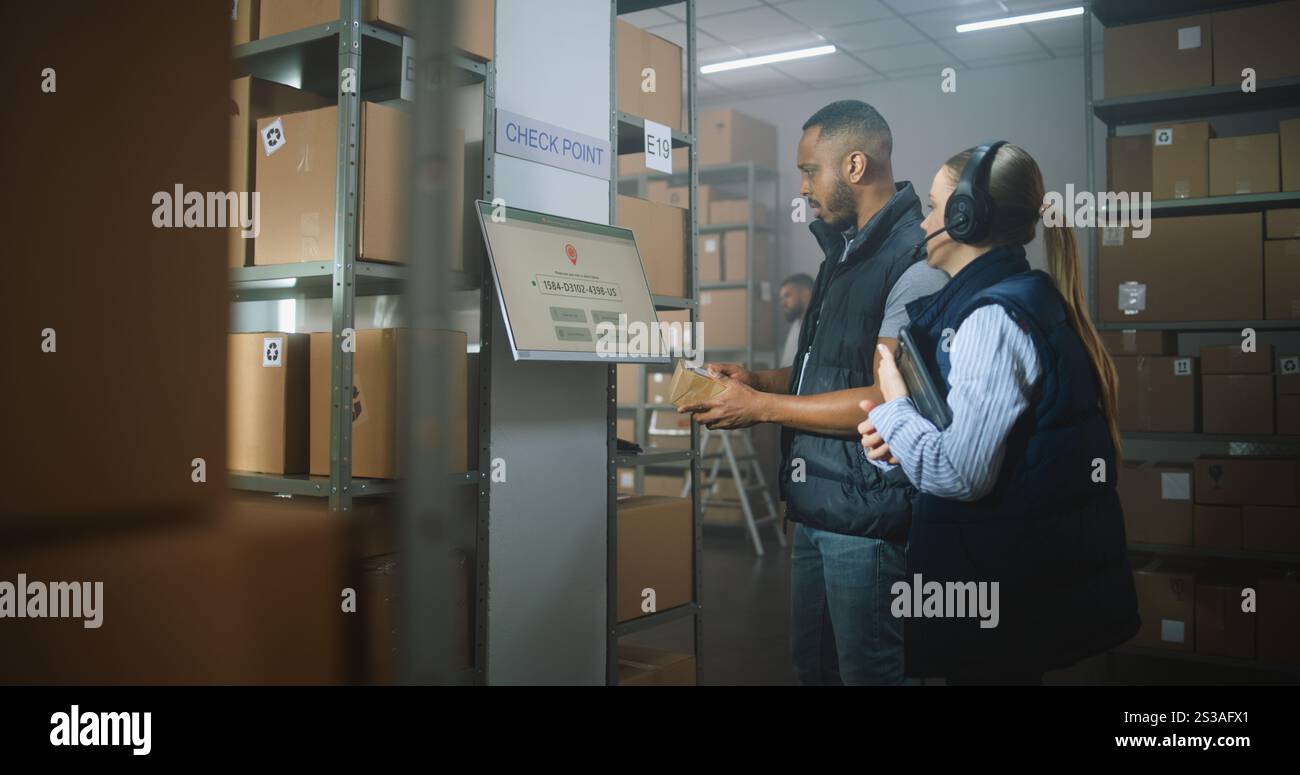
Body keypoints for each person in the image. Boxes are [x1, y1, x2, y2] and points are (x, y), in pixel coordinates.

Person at [678, 100, 947, 685]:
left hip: (869, 520)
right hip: (820, 507)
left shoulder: (912, 261)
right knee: (815, 671)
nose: (802, 187)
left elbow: (886, 399)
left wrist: (763, 408)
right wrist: (756, 381)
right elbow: (820, 374)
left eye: (809, 171)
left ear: (854, 166)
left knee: (871, 675)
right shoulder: (842, 255)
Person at [858, 142, 1140, 685]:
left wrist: (894, 401)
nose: (924, 220)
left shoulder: (992, 319)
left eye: (937, 204)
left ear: (967, 216)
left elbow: (959, 474)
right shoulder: (1018, 297)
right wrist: (905, 441)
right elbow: (982, 446)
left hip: (995, 590)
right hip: (1002, 583)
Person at [778, 274, 814, 368]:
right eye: (781, 299)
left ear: (805, 294)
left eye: (787, 296)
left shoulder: (820, 326)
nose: (783, 303)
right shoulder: (796, 325)